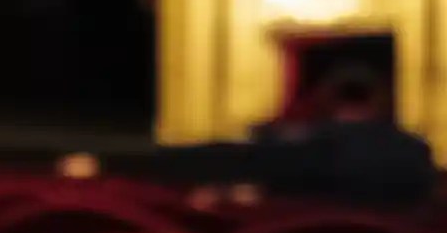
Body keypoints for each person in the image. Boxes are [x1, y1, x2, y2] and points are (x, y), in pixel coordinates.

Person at [96, 66, 438, 210]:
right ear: (380, 101)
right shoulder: (415, 151)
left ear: (328, 100)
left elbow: (225, 159)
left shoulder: (299, 147)